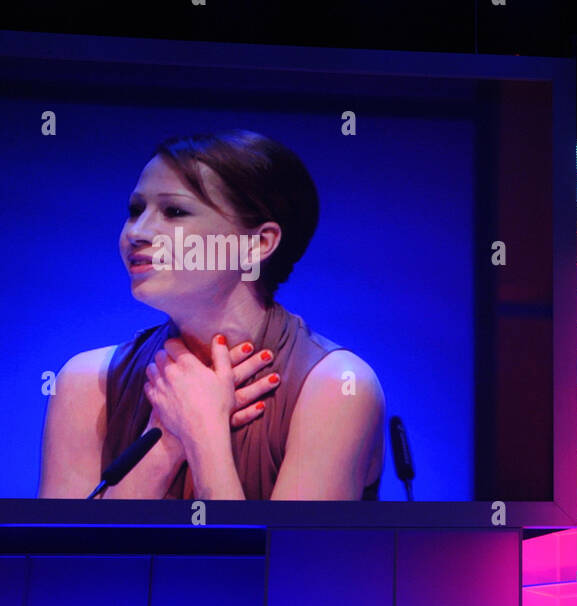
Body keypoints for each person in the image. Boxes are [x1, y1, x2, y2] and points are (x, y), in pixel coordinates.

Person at [37, 130, 385, 500]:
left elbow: (281, 559)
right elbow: (72, 557)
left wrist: (204, 439)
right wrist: (168, 438)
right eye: (135, 210)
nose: (137, 232)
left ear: (258, 243)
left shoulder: (337, 388)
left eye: (174, 212)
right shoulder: (86, 384)